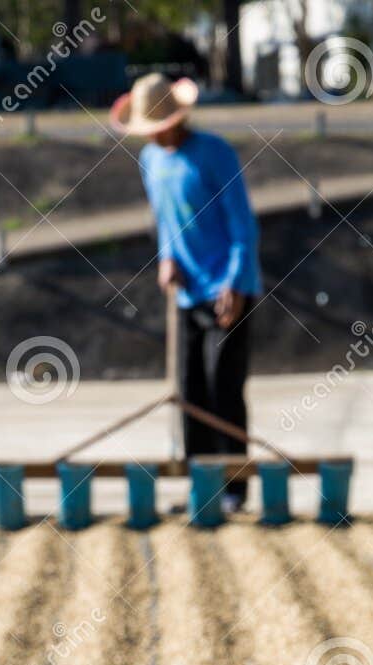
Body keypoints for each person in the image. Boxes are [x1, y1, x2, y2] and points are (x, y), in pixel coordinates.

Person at [111, 73, 261, 512]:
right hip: (187, 291)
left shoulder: (214, 153)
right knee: (190, 392)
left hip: (230, 290)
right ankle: (203, 487)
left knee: (223, 388)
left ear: (178, 119)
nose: (155, 135)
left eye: (160, 126)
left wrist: (234, 282)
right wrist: (166, 258)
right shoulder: (150, 161)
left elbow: (243, 226)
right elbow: (165, 221)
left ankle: (235, 488)